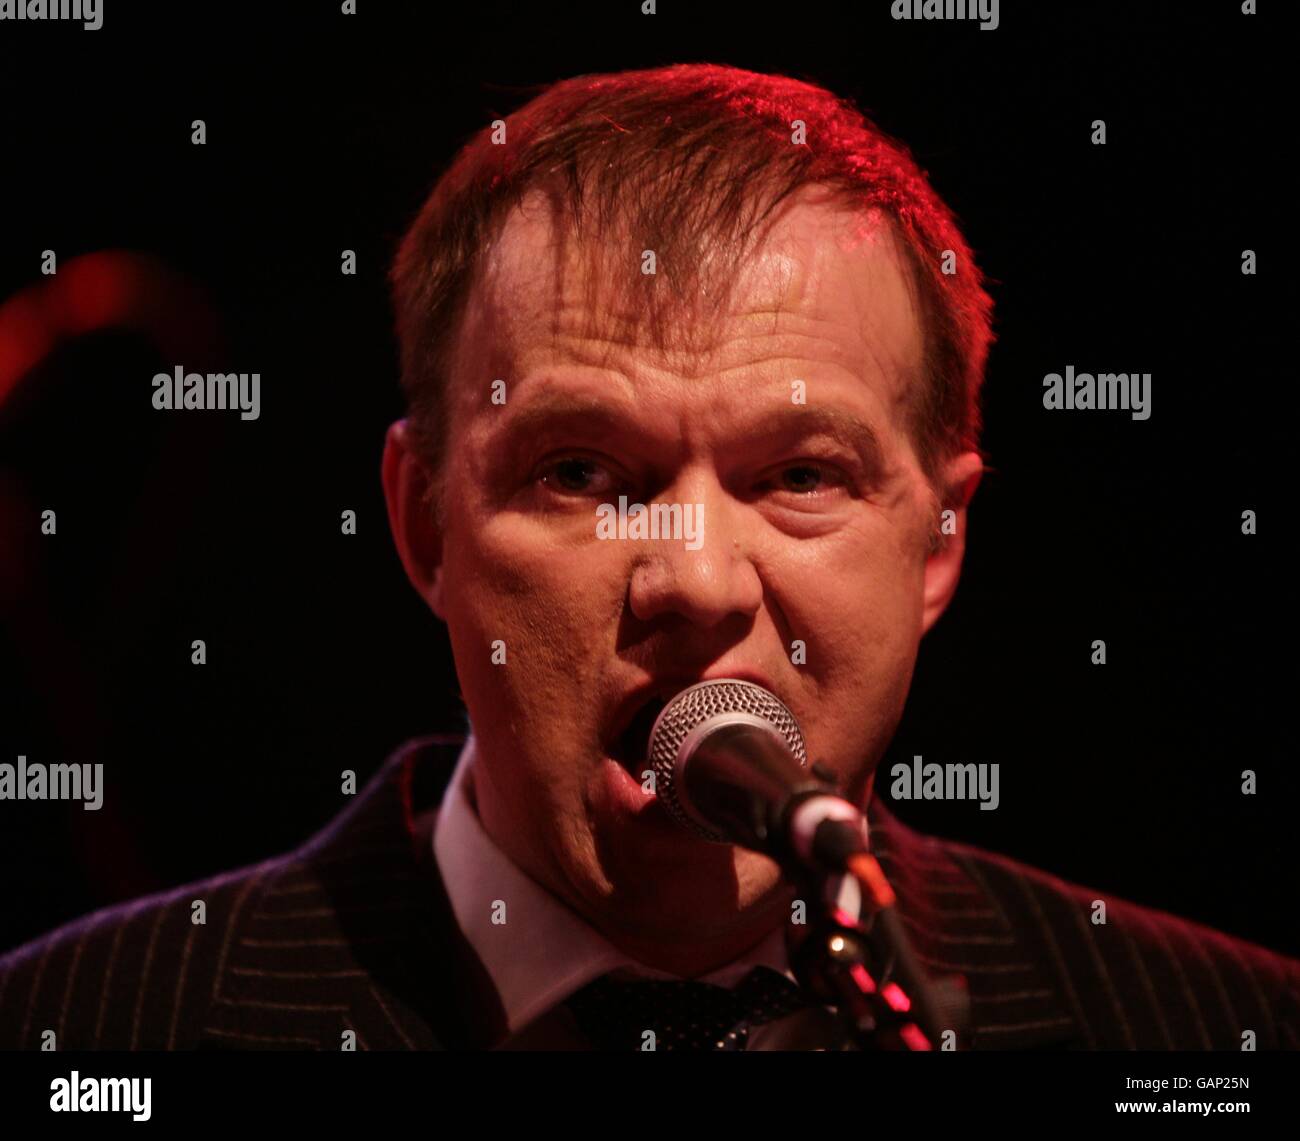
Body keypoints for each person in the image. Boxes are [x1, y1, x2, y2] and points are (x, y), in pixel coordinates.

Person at [1, 63, 1294, 1052]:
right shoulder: (83, 1028)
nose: (696, 580)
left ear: (940, 542)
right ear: (425, 525)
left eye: (800, 475)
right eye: (583, 473)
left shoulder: (1209, 1031)